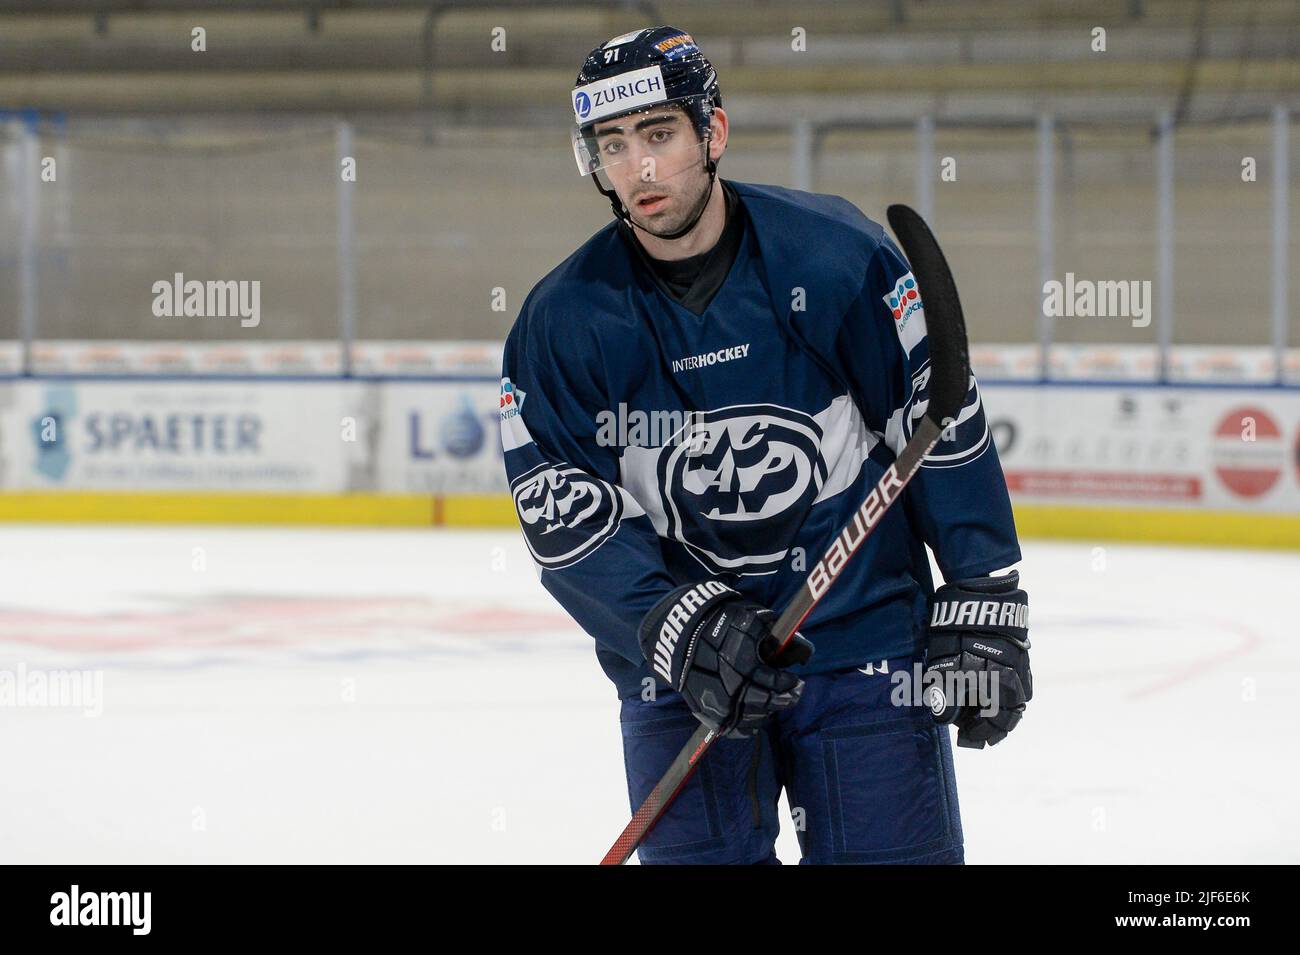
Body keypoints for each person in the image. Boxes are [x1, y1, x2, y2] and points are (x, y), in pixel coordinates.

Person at [499, 26, 1032, 864]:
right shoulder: (563, 321)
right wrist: (677, 624)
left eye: (659, 135)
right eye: (613, 144)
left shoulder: (835, 258)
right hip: (683, 674)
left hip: (863, 649)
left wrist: (982, 591)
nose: (638, 168)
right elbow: (561, 512)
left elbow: (935, 416)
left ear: (712, 131)